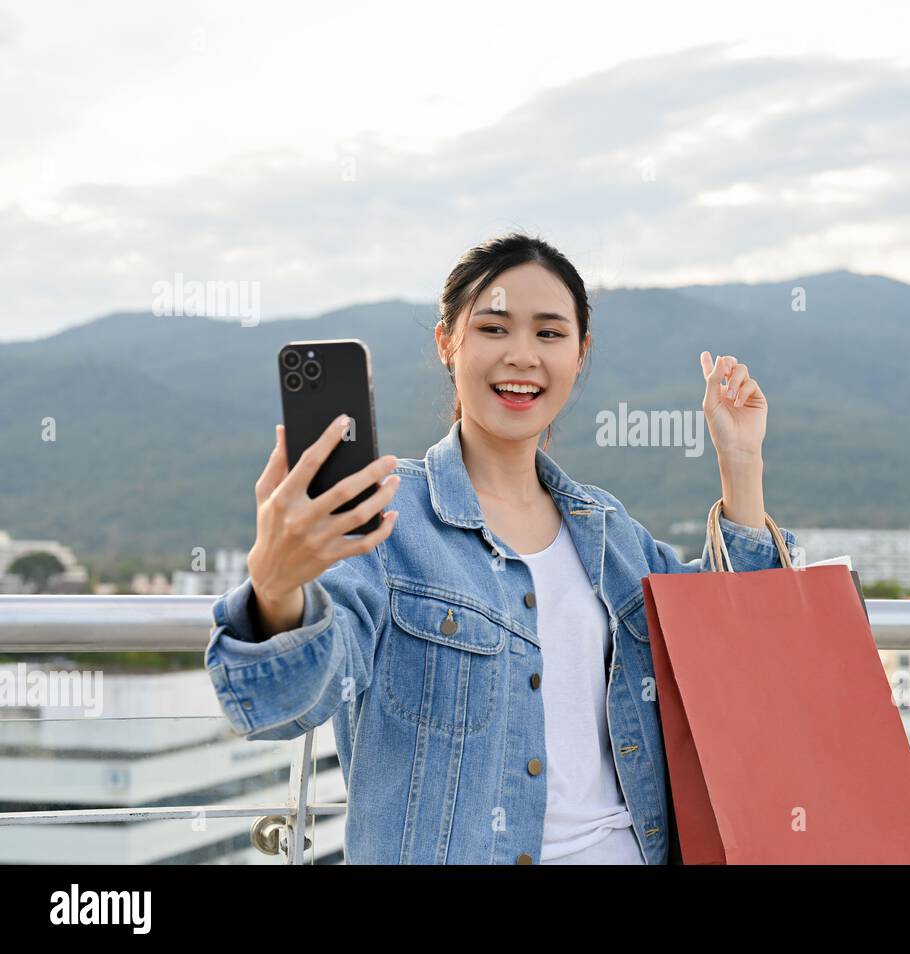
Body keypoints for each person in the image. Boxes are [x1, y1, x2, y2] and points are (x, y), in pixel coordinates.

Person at [205, 232, 797, 864]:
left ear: (579, 353)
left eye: (549, 333)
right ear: (446, 343)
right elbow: (279, 708)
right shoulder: (386, 524)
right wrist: (274, 588)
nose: (522, 355)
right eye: (493, 329)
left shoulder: (608, 531)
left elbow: (741, 643)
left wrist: (741, 464)